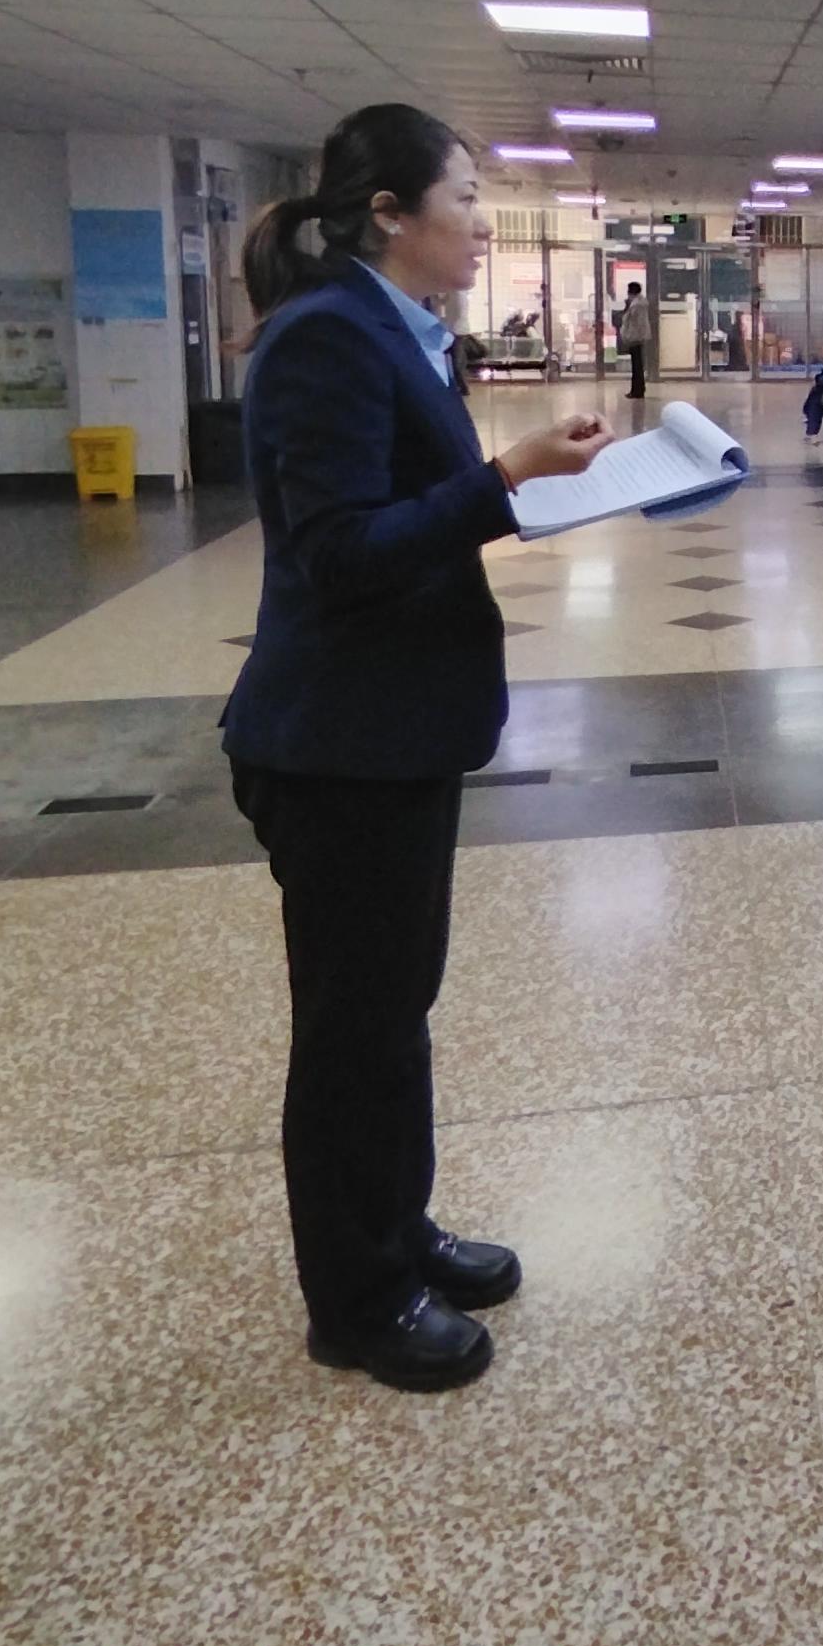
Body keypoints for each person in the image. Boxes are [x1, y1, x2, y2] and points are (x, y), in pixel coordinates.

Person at [224, 106, 607, 1392]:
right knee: (353, 1032)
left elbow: (406, 511)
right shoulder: (326, 338)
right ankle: (357, 1300)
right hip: (339, 743)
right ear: (389, 213)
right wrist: (501, 481)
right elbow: (338, 554)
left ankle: (399, 1231)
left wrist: (521, 482)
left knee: (395, 1013)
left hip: (396, 731)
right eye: (465, 200)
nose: (483, 224)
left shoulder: (397, 332)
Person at [618, 282, 653, 402]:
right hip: (637, 338)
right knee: (637, 365)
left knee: (637, 366)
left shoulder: (637, 305)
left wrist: (629, 336)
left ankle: (637, 390)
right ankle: (637, 390)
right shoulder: (639, 303)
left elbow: (633, 322)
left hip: (635, 338)